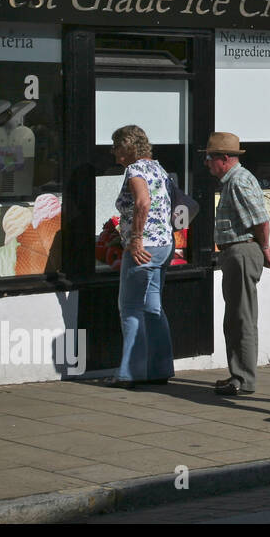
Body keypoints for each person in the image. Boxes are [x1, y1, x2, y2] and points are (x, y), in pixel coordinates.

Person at [204, 132, 270, 396]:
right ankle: (238, 375)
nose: (207, 163)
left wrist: (265, 248)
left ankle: (243, 378)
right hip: (237, 252)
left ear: (224, 159)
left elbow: (261, 220)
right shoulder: (233, 180)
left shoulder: (238, 181)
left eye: (210, 158)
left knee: (241, 318)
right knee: (235, 318)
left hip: (241, 251)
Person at [107, 125, 175, 388]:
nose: (113, 153)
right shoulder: (159, 169)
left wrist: (135, 238)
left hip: (143, 248)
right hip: (163, 246)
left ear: (128, 146)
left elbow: (142, 202)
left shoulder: (135, 170)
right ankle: (159, 368)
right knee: (152, 308)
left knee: (131, 307)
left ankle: (130, 373)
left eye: (116, 147)